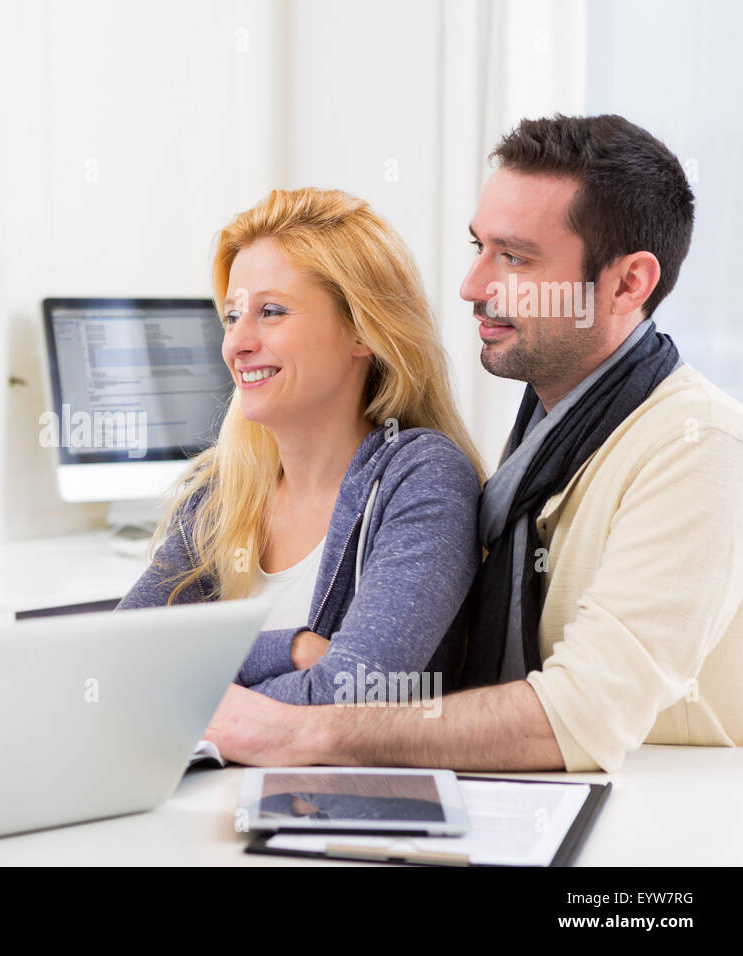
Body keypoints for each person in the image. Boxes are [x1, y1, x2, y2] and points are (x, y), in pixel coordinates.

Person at [205, 114, 743, 773]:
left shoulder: (698, 446)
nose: (472, 286)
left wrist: (300, 732)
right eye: (478, 248)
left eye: (514, 257)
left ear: (627, 283)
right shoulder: (541, 445)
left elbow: (581, 713)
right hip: (539, 804)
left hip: (653, 826)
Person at [118, 188, 484, 706]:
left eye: (271, 311)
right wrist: (287, 650)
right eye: (231, 316)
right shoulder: (223, 492)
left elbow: (351, 690)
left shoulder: (423, 478)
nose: (236, 343)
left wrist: (185, 687)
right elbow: (118, 662)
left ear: (363, 332)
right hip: (223, 787)